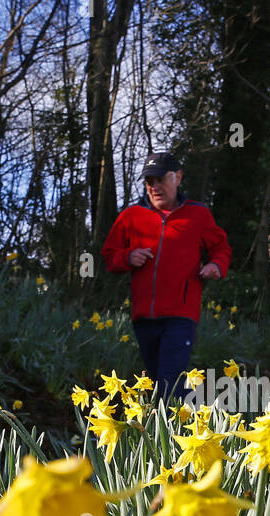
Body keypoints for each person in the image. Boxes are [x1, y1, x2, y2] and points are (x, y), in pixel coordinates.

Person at [100, 152, 231, 403]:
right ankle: (196, 419)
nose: (155, 187)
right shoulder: (131, 216)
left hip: (180, 315)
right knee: (158, 381)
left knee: (170, 383)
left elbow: (221, 248)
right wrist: (128, 257)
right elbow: (109, 256)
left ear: (178, 177)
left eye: (160, 179)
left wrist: (216, 265)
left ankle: (184, 433)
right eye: (149, 181)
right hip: (143, 317)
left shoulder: (198, 215)